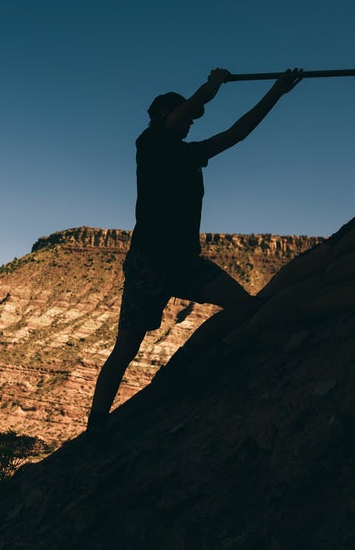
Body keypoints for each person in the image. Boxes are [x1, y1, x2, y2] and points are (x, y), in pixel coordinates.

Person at [87, 67, 303, 431]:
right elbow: (191, 108)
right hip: (150, 262)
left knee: (244, 307)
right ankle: (96, 425)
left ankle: (185, 361)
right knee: (126, 348)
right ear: (162, 116)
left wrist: (276, 93)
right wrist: (213, 84)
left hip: (184, 260)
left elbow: (238, 133)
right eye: (184, 117)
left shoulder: (190, 154)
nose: (190, 125)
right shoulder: (150, 142)